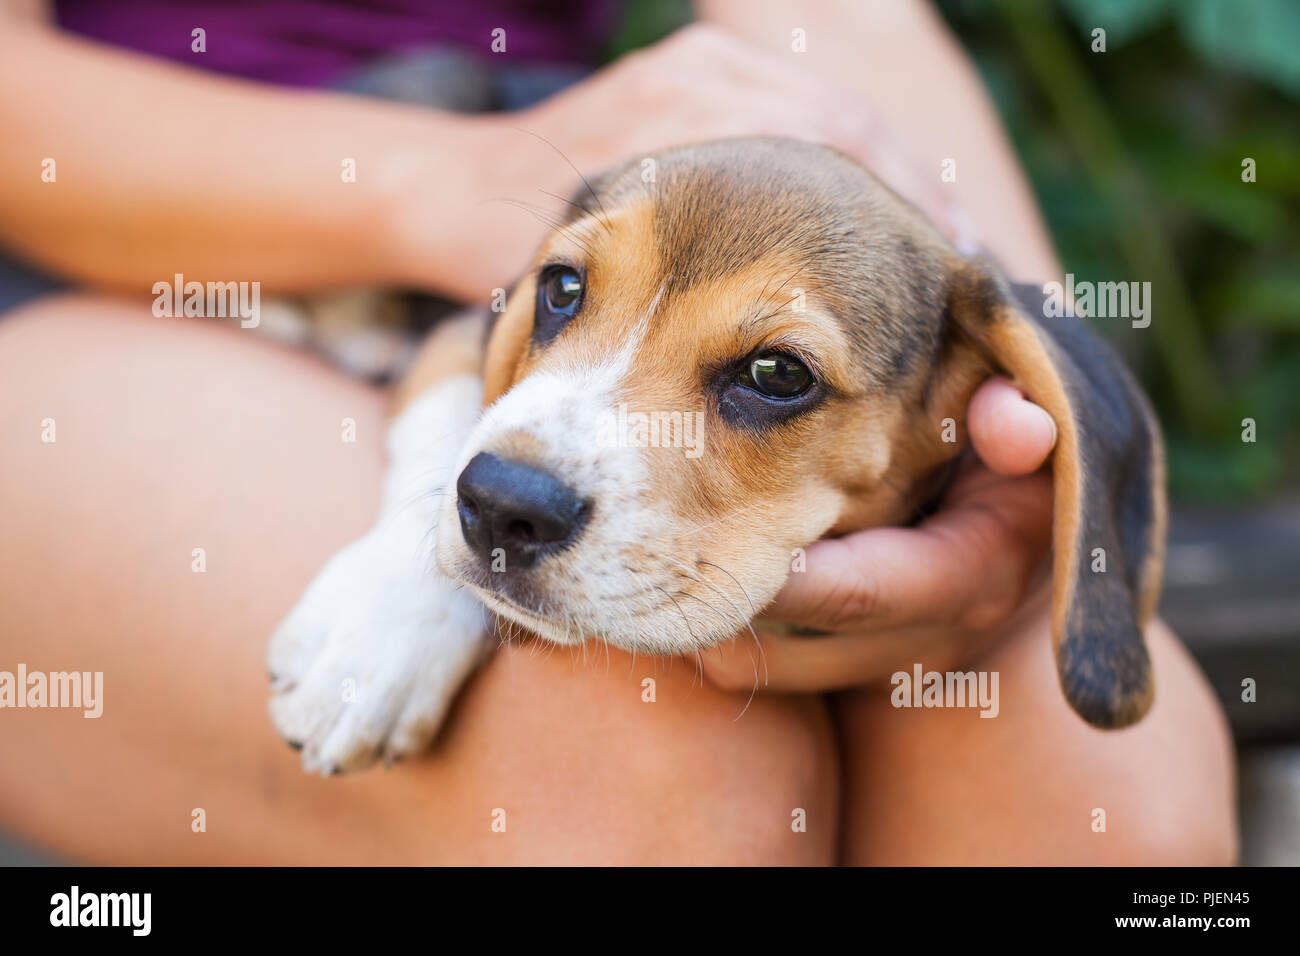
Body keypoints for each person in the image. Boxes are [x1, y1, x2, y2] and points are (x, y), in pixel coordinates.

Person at [0, 0, 1234, 864]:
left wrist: (1027, 416)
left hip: (556, 204)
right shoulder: (509, 279)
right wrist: (448, 184)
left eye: (770, 372)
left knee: (1117, 793)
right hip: (102, 266)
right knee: (649, 774)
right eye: (567, 292)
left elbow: (840, 19)